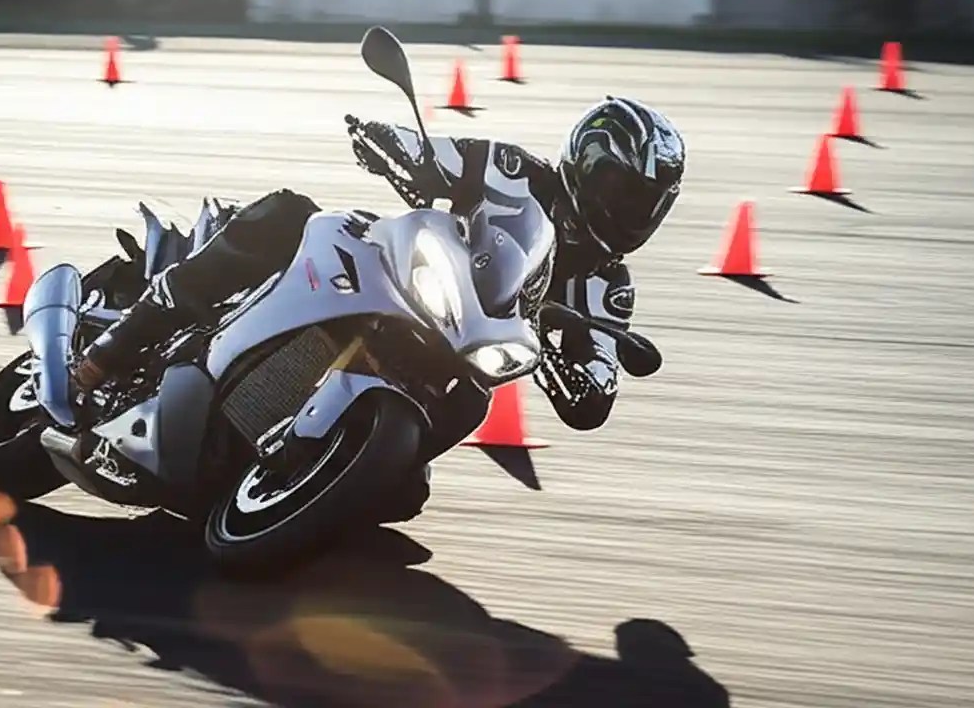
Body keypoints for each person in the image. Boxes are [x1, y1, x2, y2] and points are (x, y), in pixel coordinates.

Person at [70, 96, 685, 517]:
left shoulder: (608, 286)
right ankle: (111, 349)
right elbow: (437, 153)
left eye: (649, 203)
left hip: (456, 356)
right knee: (291, 215)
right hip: (404, 278)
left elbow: (596, 385)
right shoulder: (510, 169)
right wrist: (392, 144)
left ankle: (312, 484)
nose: (632, 212)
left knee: (406, 493)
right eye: (622, 191)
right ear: (586, 165)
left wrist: (577, 377)